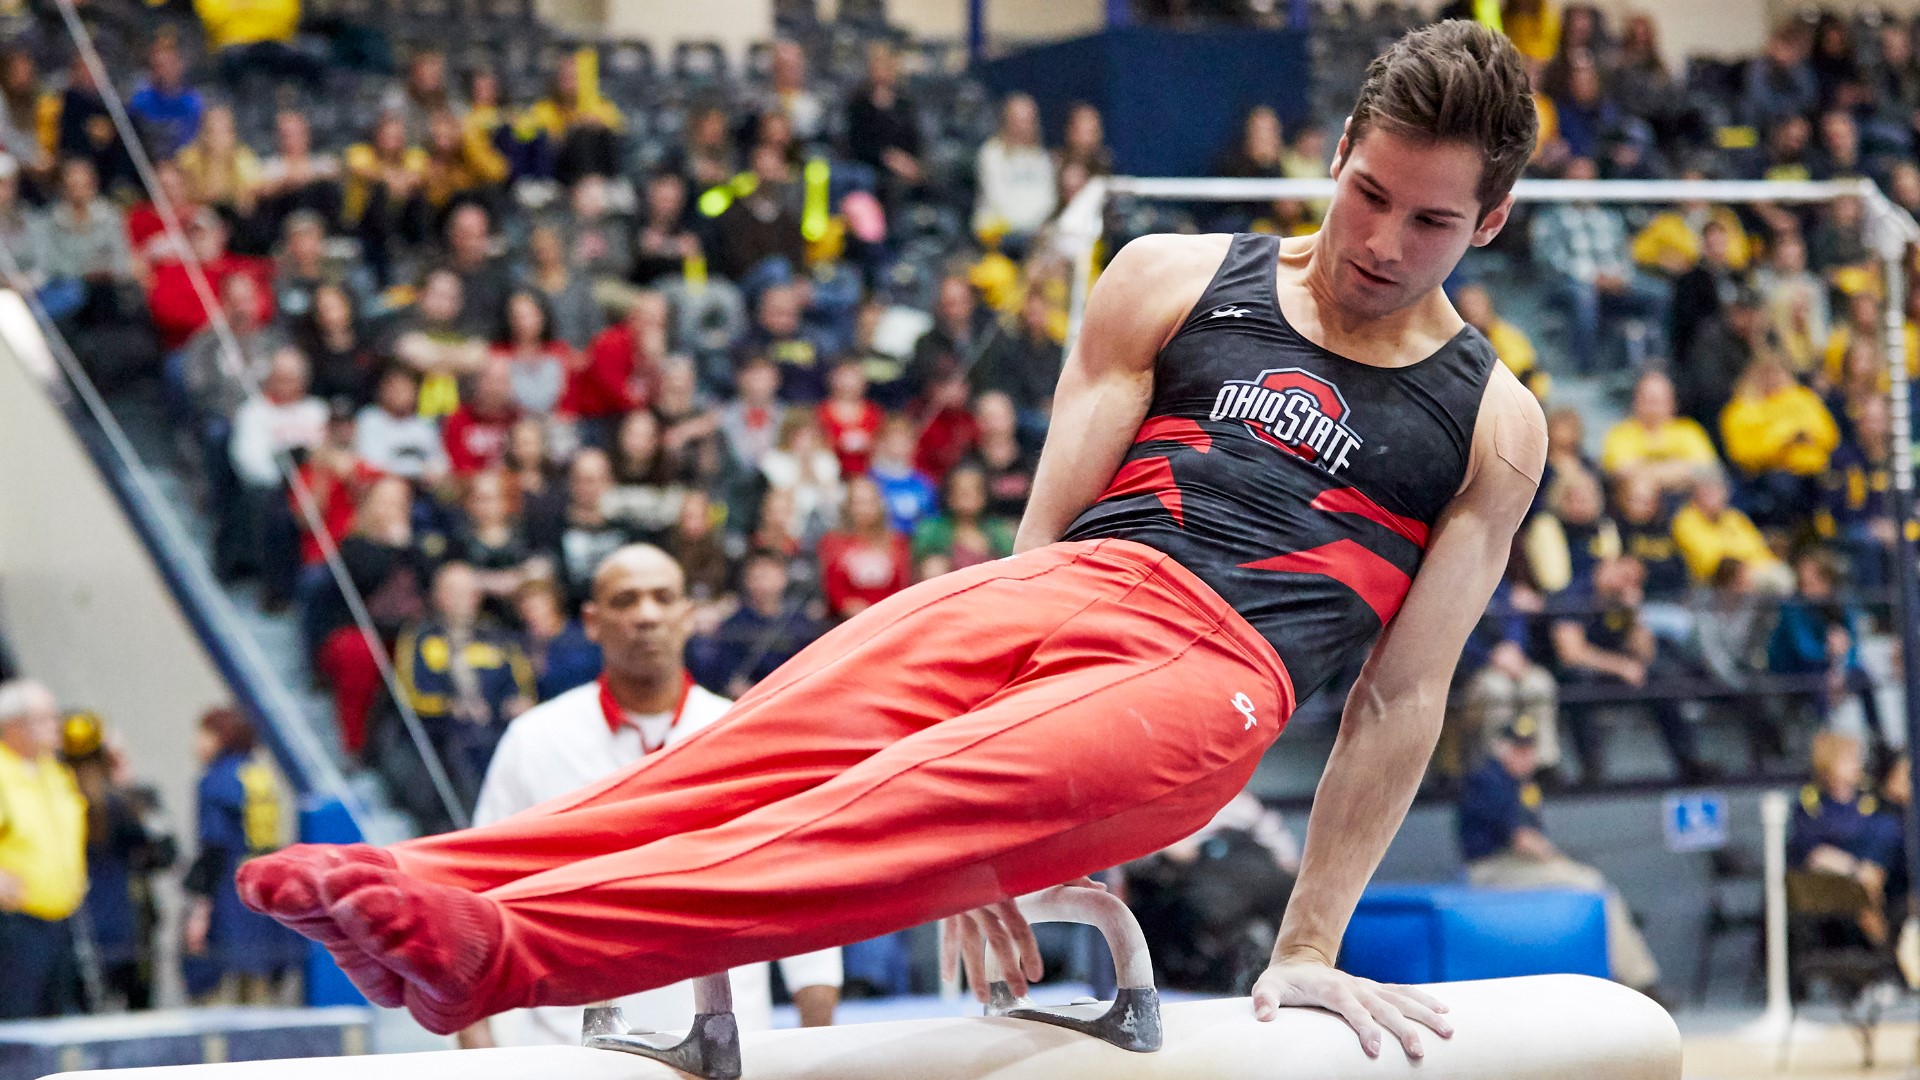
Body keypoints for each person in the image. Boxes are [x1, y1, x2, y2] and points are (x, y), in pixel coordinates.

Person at [242, 22, 1543, 1059]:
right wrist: (990, 850)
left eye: (1429, 222)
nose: (1379, 241)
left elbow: (1399, 700)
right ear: (1336, 154)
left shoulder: (1488, 426)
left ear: (1488, 225)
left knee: (877, 813)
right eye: (1371, 193)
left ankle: (510, 953)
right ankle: (401, 882)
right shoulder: (1169, 278)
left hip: (1211, 680)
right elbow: (1039, 549)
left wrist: (1308, 944)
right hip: (1068, 588)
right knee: (759, 744)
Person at [456, 546, 840, 1047]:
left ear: (687, 615)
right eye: (626, 600)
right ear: (592, 621)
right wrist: (477, 1048)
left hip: (731, 1055)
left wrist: (818, 1045)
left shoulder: (743, 736)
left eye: (663, 598)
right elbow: (477, 901)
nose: (647, 615)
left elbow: (802, 893)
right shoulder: (535, 741)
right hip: (571, 1057)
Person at [1457, 716, 1660, 993]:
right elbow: (1522, 840)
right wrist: (1557, 858)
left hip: (1518, 865)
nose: (1525, 756)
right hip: (1491, 868)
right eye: (1518, 749)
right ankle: (1638, 979)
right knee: (1591, 884)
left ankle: (1632, 976)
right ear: (1501, 748)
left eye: (1529, 749)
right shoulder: (1490, 779)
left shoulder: (1522, 784)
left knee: (1593, 884)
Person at [1551, 555, 1708, 786]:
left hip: (1613, 670)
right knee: (1579, 682)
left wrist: (1635, 614)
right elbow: (1571, 653)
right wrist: (1620, 666)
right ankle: (1592, 770)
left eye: (1634, 581)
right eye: (1624, 575)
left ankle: (1689, 761)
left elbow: (1645, 654)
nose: (1627, 583)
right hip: (1575, 671)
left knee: (1662, 677)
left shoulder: (1622, 602)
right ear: (1607, 567)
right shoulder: (1575, 593)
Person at [183, 708, 305, 1003]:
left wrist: (200, 909)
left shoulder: (214, 780)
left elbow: (214, 847)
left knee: (221, 989)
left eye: (204, 735)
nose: (196, 744)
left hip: (230, 892)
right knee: (259, 989)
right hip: (265, 892)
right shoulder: (259, 774)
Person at [62, 711, 176, 1012]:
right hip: (124, 923)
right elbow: (166, 853)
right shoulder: (125, 803)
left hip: (83, 924)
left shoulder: (65, 802)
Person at [0, 680, 86, 1020]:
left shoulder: (53, 772)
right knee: (17, 1024)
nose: (56, 726)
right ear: (14, 726)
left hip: (61, 920)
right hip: (16, 924)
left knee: (57, 1024)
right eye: (45, 719)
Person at [1788, 731, 1891, 943]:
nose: (1857, 764)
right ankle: (1881, 944)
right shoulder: (1812, 807)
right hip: (1829, 894)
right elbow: (1813, 853)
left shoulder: (1869, 800)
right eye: (1849, 758)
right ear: (1829, 763)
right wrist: (1856, 870)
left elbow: (1886, 837)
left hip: (1879, 883)